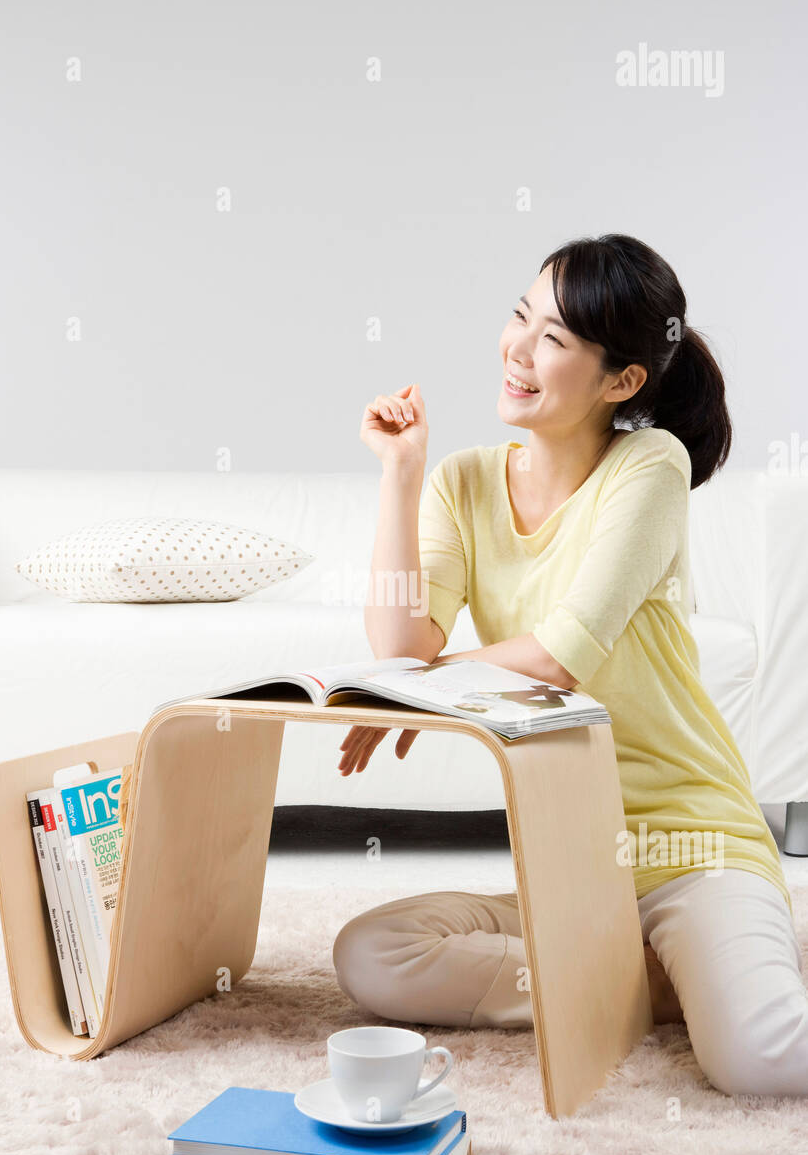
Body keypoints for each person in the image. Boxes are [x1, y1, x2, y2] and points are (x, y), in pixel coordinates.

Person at [331, 232, 808, 1097]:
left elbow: (559, 657)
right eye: (522, 315)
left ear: (622, 381)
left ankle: (695, 968)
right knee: (373, 956)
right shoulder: (465, 482)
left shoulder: (649, 467)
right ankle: (656, 982)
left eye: (553, 338)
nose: (518, 347)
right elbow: (400, 648)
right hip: (577, 865)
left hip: (692, 843)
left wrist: (420, 694)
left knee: (760, 1060)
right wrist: (402, 475)